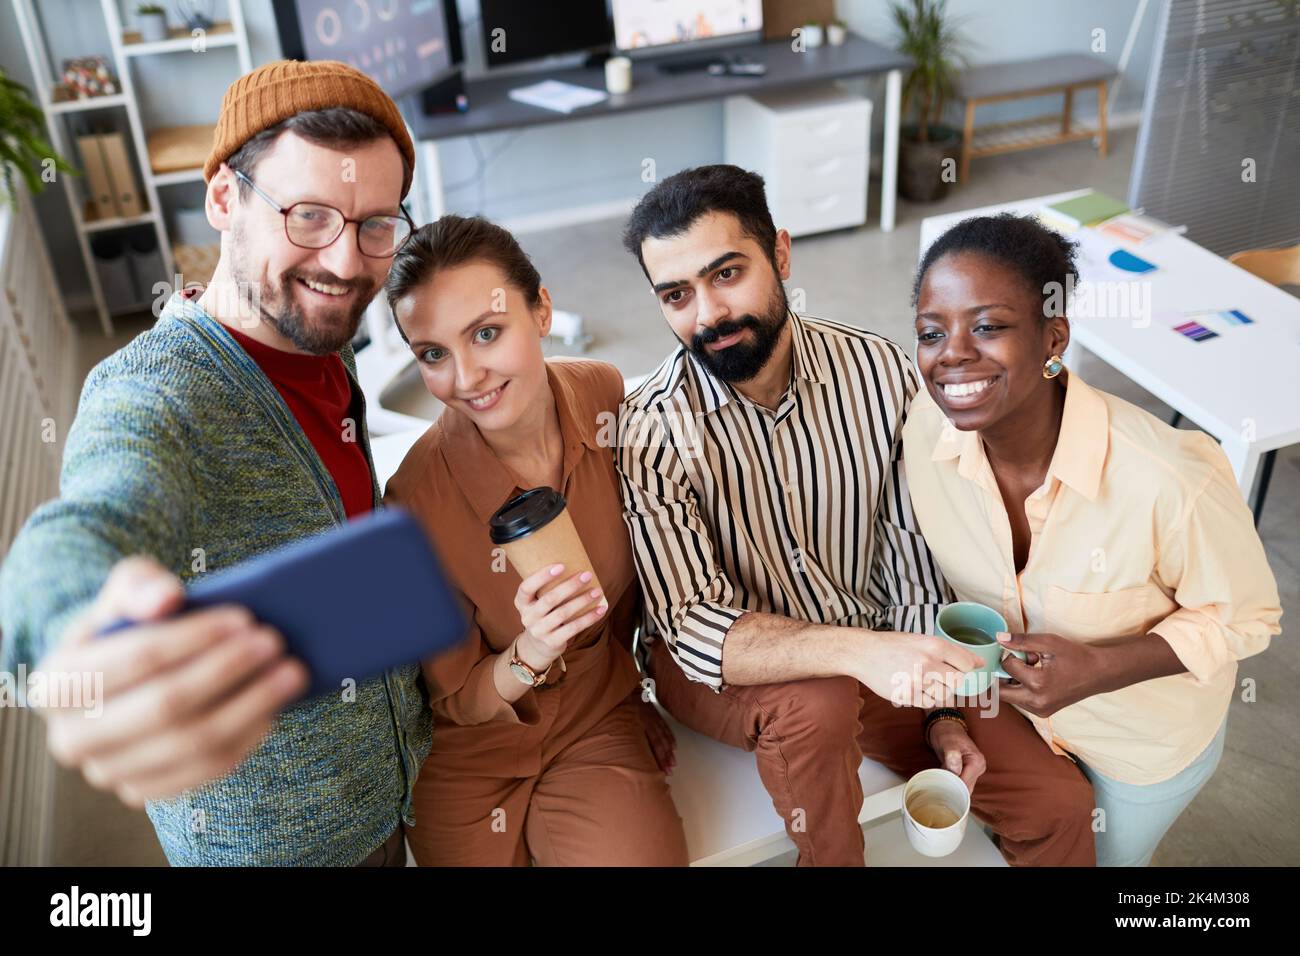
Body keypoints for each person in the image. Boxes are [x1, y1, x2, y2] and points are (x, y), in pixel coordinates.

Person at [0, 60, 429, 865]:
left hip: (393, 792)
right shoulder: (154, 396)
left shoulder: (314, 338)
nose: (344, 263)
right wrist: (76, 640)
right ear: (224, 198)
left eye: (375, 224)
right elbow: (90, 521)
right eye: (308, 216)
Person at [616, 165, 1097, 866]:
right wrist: (858, 653)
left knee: (1060, 805)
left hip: (879, 650)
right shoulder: (650, 429)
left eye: (726, 274)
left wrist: (940, 715)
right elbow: (691, 626)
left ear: (780, 254)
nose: (707, 314)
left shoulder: (880, 374)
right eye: (676, 295)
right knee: (819, 704)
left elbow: (911, 555)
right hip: (727, 673)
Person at [903, 212, 1282, 866]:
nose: (953, 354)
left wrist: (1100, 667)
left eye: (989, 326)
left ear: (1054, 338)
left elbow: (1246, 618)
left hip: (1138, 747)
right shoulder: (923, 435)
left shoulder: (1169, 479)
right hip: (1012, 720)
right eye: (933, 332)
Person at [383, 215, 689, 866]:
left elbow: (647, 573)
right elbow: (455, 699)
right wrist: (532, 649)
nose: (466, 377)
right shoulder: (413, 500)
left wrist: (636, 689)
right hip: (472, 754)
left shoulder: (606, 396)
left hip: (594, 716)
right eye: (434, 354)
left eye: (486, 334)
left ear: (542, 310)